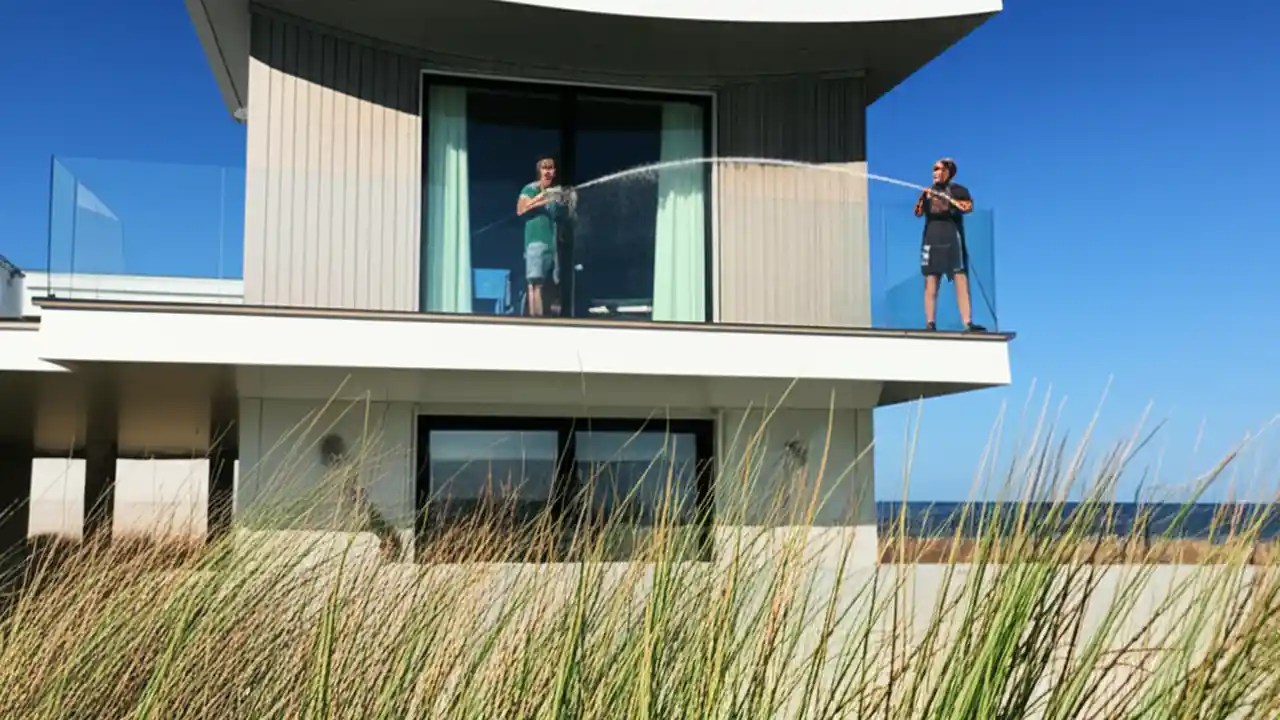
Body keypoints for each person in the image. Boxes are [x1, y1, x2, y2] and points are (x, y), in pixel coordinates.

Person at [914, 157, 985, 332]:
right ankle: (930, 323)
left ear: (947, 172)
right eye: (934, 169)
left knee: (960, 277)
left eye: (938, 169)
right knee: (931, 279)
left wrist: (948, 198)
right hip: (931, 239)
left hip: (952, 237)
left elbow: (968, 207)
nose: (935, 173)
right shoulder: (928, 192)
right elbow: (918, 213)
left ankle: (967, 322)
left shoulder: (959, 190)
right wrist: (923, 198)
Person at [515, 156, 561, 317]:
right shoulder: (530, 188)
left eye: (551, 168)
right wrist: (541, 198)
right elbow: (521, 210)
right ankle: (536, 321)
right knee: (534, 284)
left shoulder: (555, 192)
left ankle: (544, 318)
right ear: (539, 171)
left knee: (549, 284)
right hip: (536, 242)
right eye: (544, 168)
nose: (547, 171)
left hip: (552, 245)